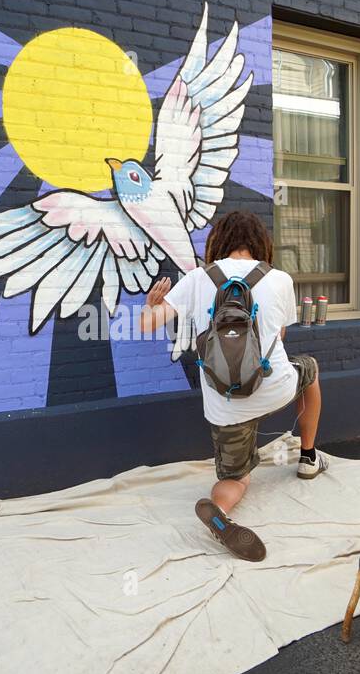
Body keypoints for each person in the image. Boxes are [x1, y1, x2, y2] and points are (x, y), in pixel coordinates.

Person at [139, 210, 326, 562]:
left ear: (218, 242)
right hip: (276, 388)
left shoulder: (197, 277)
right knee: (310, 372)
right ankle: (307, 456)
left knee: (236, 479)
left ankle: (220, 510)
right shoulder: (281, 279)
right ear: (260, 243)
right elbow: (279, 336)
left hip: (225, 405)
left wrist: (151, 305)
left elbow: (148, 326)